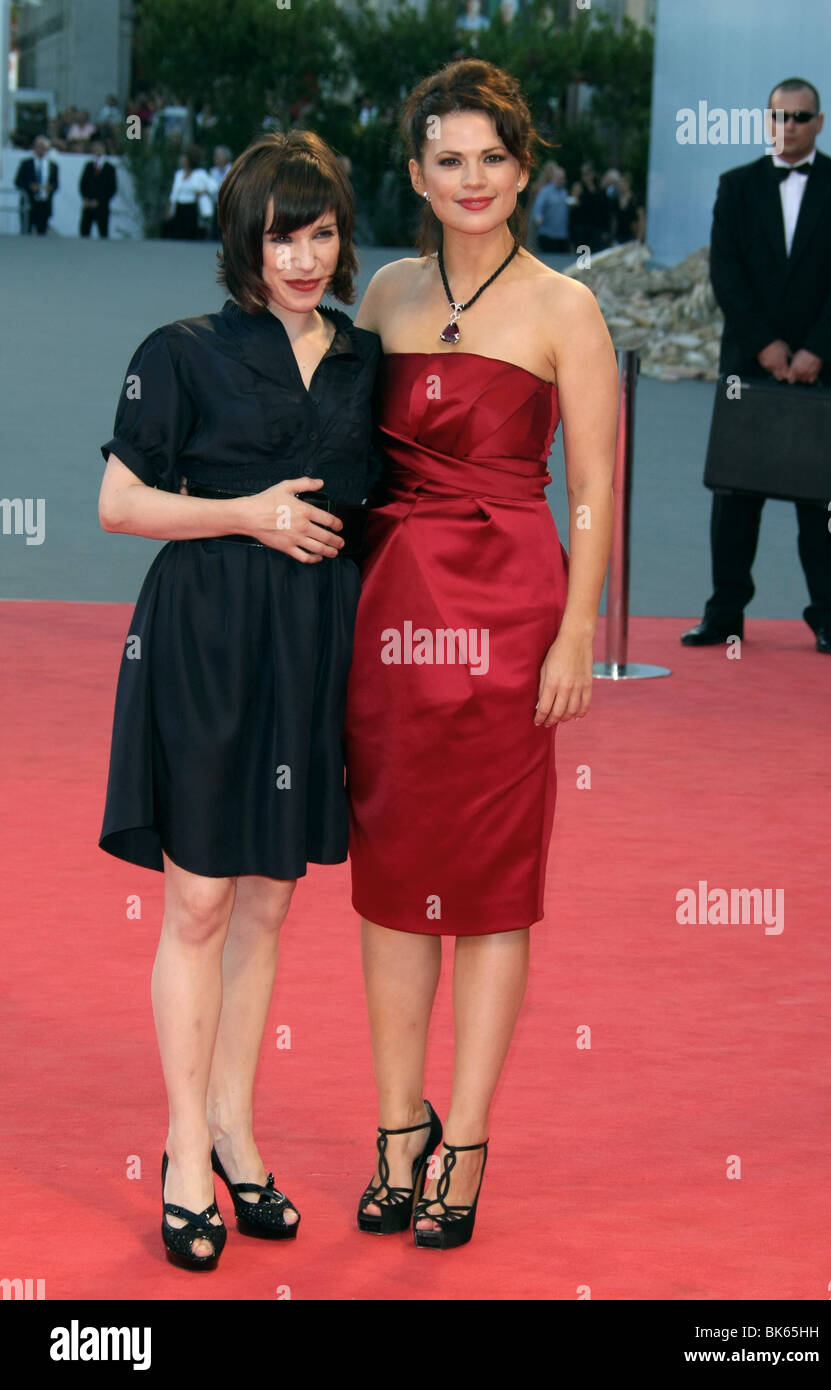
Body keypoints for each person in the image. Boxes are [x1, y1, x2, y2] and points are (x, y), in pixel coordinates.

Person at [344, 58, 617, 1249]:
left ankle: (465, 1140)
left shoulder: (566, 307)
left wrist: (574, 639)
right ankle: (396, 1130)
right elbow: (343, 464)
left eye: (493, 159)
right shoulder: (381, 296)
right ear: (415, 173)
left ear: (524, 171)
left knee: (489, 889)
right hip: (389, 620)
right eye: (447, 159)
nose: (472, 180)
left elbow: (597, 493)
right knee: (394, 888)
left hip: (509, 622)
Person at [97, 130, 382, 1269]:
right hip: (206, 637)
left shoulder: (363, 359)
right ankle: (180, 1147)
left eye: (320, 234)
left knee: (269, 898)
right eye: (281, 236)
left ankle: (234, 1127)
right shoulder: (180, 353)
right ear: (242, 242)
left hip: (312, 645)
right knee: (200, 901)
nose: (303, 257)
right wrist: (248, 512)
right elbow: (120, 503)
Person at [682, 77, 831, 655]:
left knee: (826, 500)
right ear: (767, 120)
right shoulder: (735, 187)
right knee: (735, 498)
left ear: (820, 122)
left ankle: (828, 618)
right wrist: (765, 344)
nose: (788, 127)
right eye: (779, 117)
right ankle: (725, 613)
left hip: (826, 365)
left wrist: (815, 347)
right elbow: (727, 274)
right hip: (748, 364)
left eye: (801, 117)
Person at [162, 148, 217, 240]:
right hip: (180, 207)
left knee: (190, 234)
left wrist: (203, 192)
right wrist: (170, 209)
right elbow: (174, 194)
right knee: (178, 234)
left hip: (192, 207)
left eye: (184, 159)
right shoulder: (179, 174)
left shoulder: (200, 174)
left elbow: (213, 186)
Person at [15, 135, 59, 235]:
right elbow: (18, 181)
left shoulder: (53, 166)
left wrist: (50, 188)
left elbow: (55, 184)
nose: (41, 150)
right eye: (38, 147)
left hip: (44, 203)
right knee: (26, 231)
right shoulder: (26, 164)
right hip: (29, 202)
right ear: (34, 148)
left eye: (43, 147)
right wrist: (30, 186)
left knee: (42, 232)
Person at [79, 140, 117, 238]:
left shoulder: (110, 168)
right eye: (95, 147)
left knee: (103, 232)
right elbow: (83, 184)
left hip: (102, 206)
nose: (97, 149)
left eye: (99, 147)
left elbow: (112, 189)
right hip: (88, 205)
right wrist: (85, 198)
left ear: (104, 149)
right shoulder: (88, 166)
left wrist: (99, 201)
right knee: (84, 231)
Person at [532, 163, 570, 252]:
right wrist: (538, 217)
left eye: (562, 178)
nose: (561, 180)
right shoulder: (545, 192)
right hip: (547, 235)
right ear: (554, 178)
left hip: (562, 235)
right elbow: (538, 207)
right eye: (559, 178)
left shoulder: (565, 192)